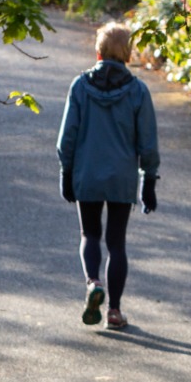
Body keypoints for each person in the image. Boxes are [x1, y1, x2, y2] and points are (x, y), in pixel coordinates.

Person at [55, 20, 160, 330]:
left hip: (86, 174)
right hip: (121, 178)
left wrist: (66, 171)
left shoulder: (80, 86)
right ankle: (114, 311)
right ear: (127, 54)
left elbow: (67, 136)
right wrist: (149, 180)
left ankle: (92, 283)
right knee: (116, 243)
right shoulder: (138, 91)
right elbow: (148, 141)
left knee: (89, 235)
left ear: (98, 52)